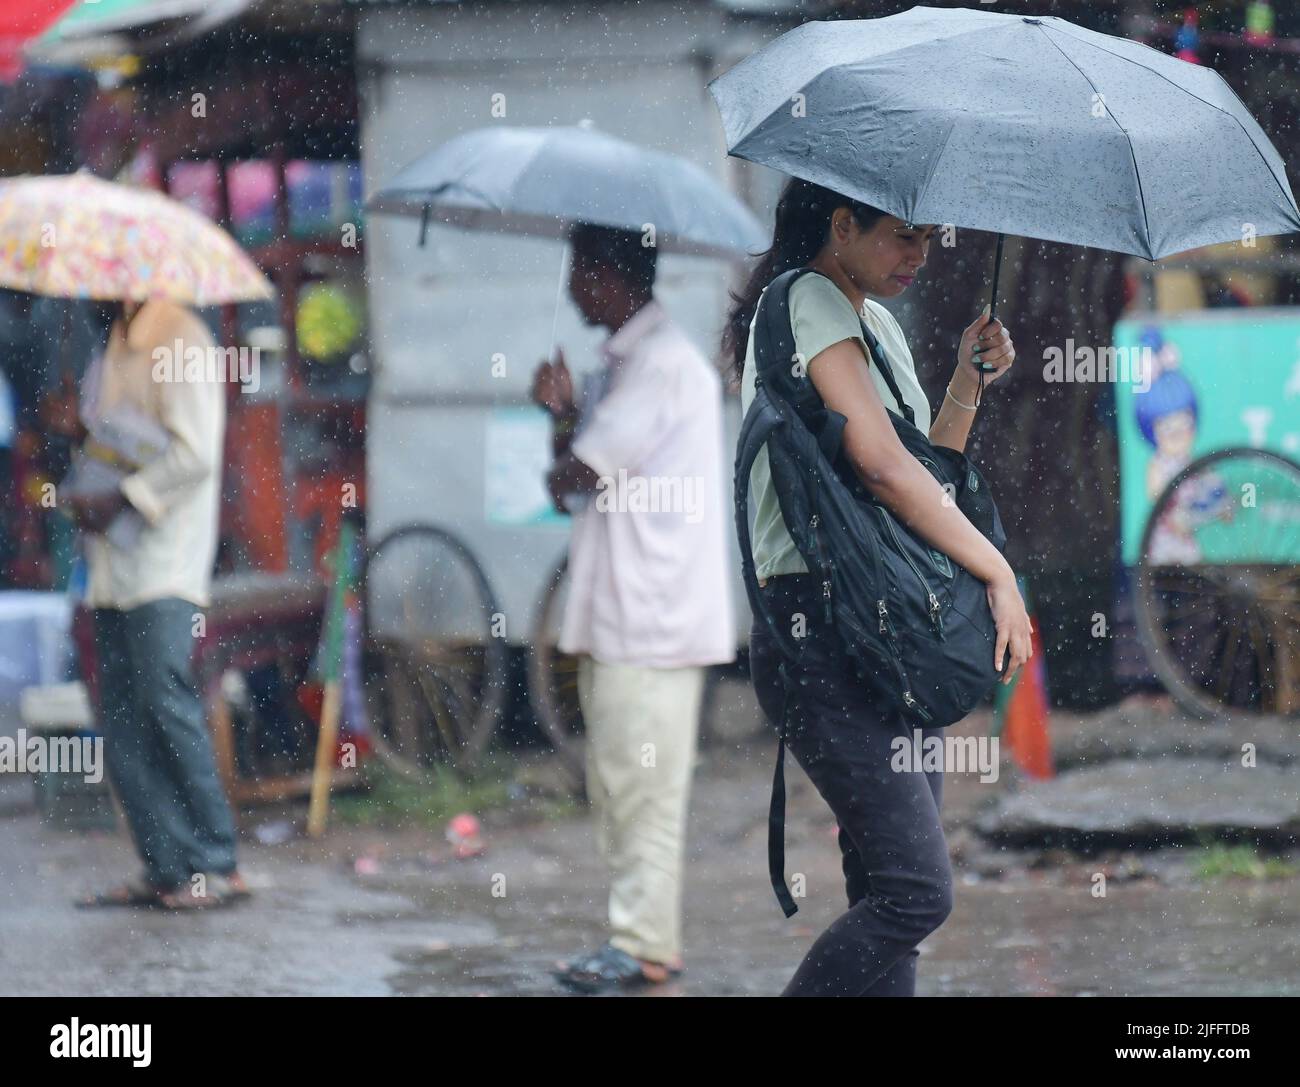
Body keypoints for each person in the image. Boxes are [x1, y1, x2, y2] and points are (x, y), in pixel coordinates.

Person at [724, 178, 1033, 996]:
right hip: (817, 633)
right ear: (840, 223)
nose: (919, 256)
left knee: (886, 890)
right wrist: (997, 570)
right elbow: (881, 467)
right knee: (914, 892)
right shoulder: (804, 300)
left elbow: (924, 469)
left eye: (930, 237)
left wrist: (968, 379)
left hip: (883, 628)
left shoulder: (878, 326)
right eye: (902, 234)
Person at [532, 222, 735, 992]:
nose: (571, 287)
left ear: (613, 276)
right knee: (621, 782)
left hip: (651, 617)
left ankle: (645, 942)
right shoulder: (628, 366)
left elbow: (571, 478)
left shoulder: (658, 366)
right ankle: (635, 936)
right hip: (629, 611)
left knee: (641, 788)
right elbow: (577, 479)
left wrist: (556, 413)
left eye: (579, 270)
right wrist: (564, 410)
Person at [71, 298, 248, 911]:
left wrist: (125, 496)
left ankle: (216, 861)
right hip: (114, 561)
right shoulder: (117, 340)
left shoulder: (182, 337)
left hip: (164, 558)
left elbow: (196, 453)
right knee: (119, 715)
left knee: (166, 704)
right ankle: (165, 865)